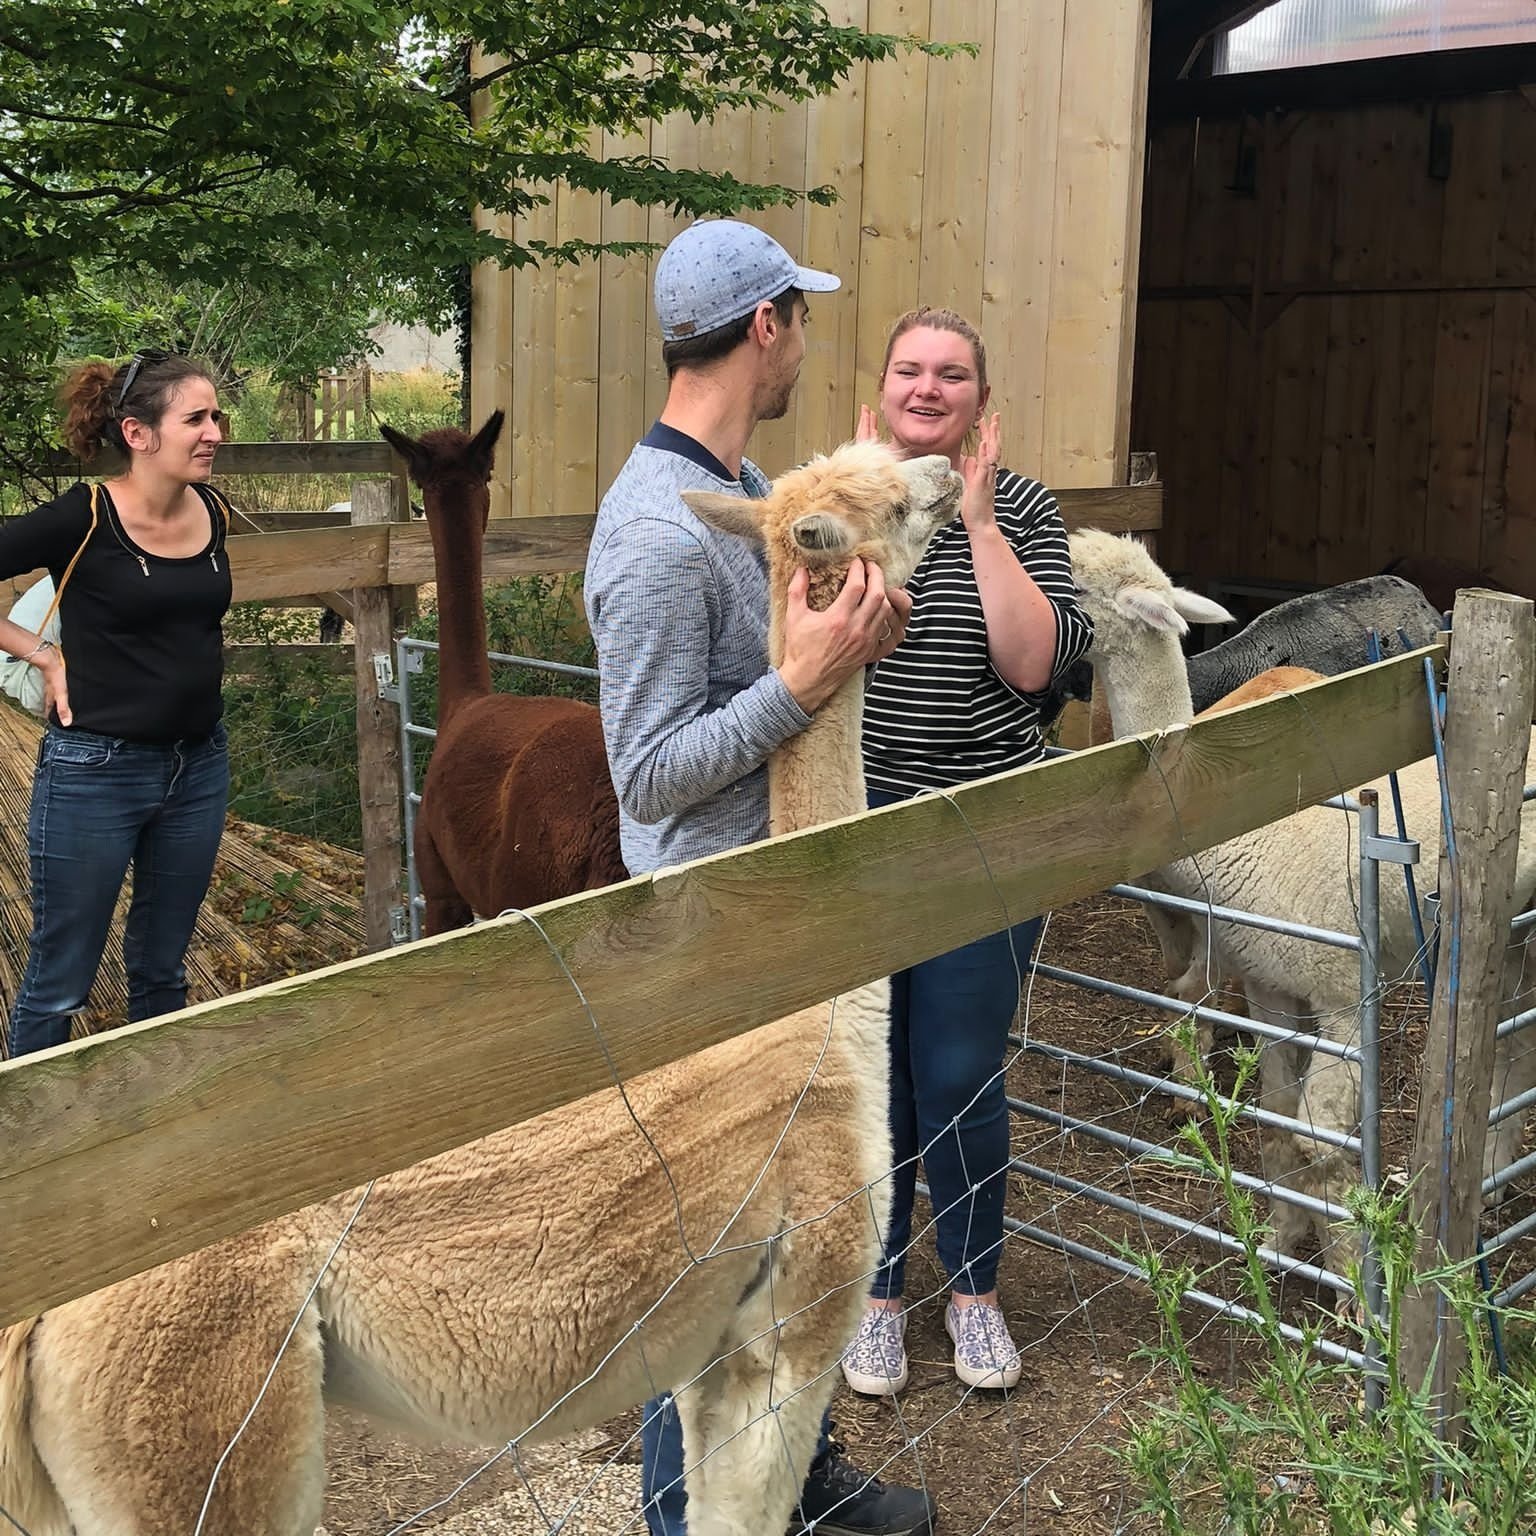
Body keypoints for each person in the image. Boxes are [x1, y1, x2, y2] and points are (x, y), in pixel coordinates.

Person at [584, 220, 936, 1536]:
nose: (804, 347)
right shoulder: (655, 534)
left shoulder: (743, 486)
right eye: (802, 318)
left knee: (796, 1230)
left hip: (779, 913)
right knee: (709, 1258)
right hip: (709, 940)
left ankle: (800, 1472)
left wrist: (836, 655)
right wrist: (802, 683)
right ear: (765, 327)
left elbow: (790, 678)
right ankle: (686, 1512)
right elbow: (647, 776)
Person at [838, 308, 1093, 1397]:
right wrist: (859, 510)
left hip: (986, 829)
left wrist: (981, 524)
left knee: (957, 1067)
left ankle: (974, 1290)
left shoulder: (1025, 510)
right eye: (910, 370)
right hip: (860, 829)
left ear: (982, 402)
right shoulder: (843, 500)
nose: (928, 389)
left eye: (952, 375)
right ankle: (877, 1293)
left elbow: (1035, 666)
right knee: (874, 1069)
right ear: (883, 389)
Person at [1, 351, 233, 1058]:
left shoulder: (212, 510)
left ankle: (155, 1112)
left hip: (198, 769)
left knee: (163, 970)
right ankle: (30, 1123)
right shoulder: (85, 516)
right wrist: (42, 654)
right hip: (95, 773)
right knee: (60, 981)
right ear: (138, 433)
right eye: (195, 419)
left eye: (216, 416)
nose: (215, 432)